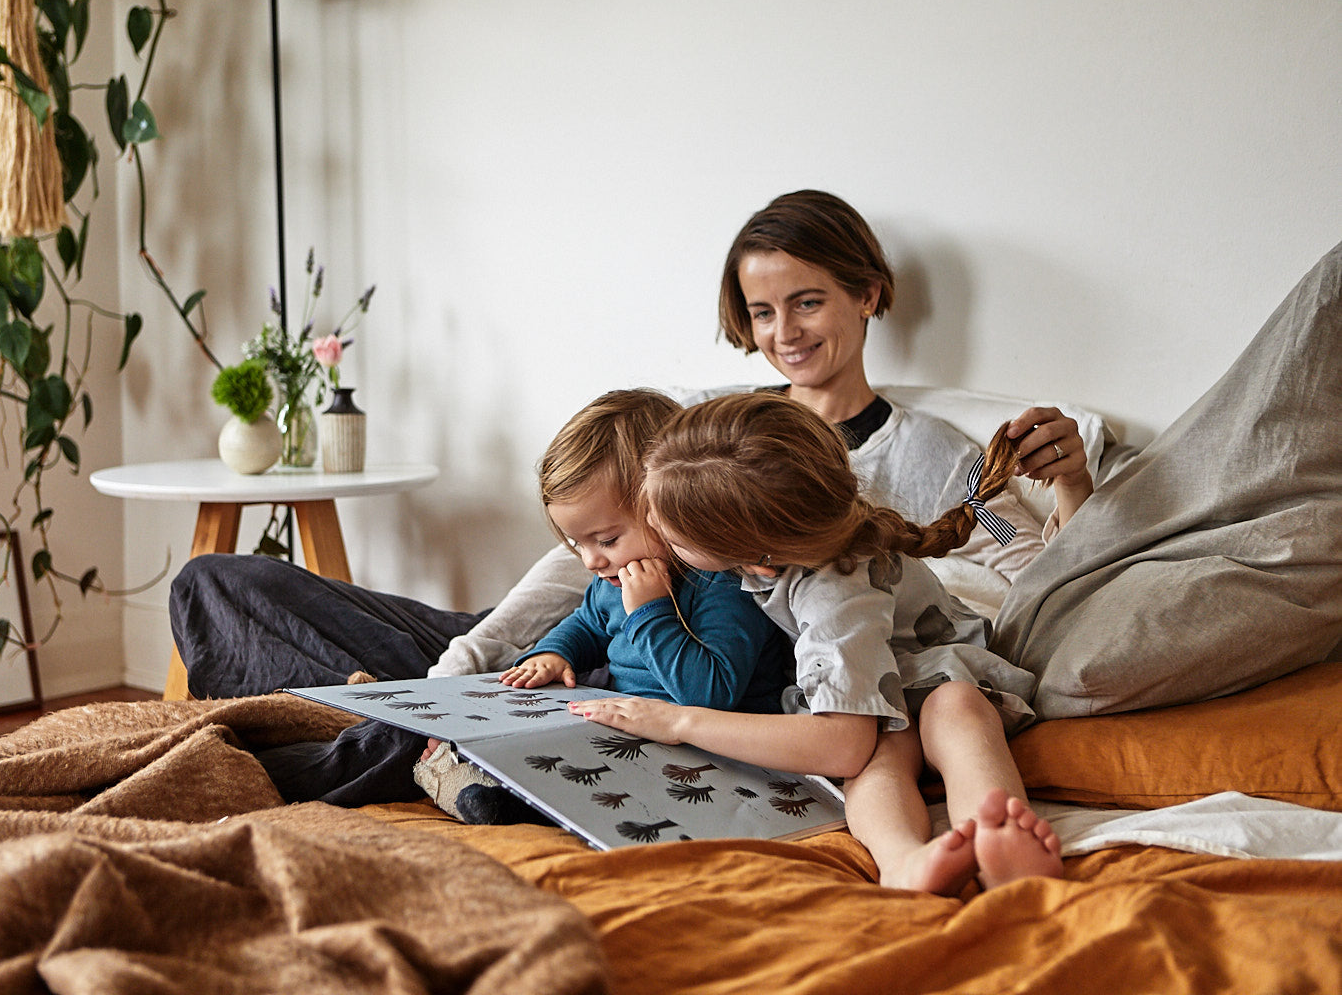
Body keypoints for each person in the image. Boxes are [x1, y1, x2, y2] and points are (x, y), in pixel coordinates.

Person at [171, 188, 1089, 699]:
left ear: (868, 295)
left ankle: (368, 716)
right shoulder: (701, 425)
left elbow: (1033, 597)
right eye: (762, 312)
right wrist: (476, 662)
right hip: (559, 642)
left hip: (679, 667)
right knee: (219, 584)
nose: (786, 332)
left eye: (808, 301)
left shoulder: (931, 452)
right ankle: (393, 707)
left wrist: (1073, 488)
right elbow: (580, 561)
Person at [569, 391, 1060, 894]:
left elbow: (842, 745)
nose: (651, 528)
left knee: (953, 708)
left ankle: (998, 836)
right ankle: (905, 863)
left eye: (671, 538)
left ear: (755, 560)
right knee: (883, 759)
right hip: (875, 698)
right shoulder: (783, 542)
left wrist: (680, 722)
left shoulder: (835, 590)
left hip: (931, 674)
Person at [251, 389, 794, 813]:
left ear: (668, 504)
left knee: (568, 771)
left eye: (606, 540)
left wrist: (650, 611)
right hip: (620, 722)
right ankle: (349, 759)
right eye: (575, 544)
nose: (591, 562)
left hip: (699, 751)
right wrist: (555, 654)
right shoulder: (614, 581)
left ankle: (469, 789)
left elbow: (711, 694)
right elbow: (585, 624)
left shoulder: (720, 584)